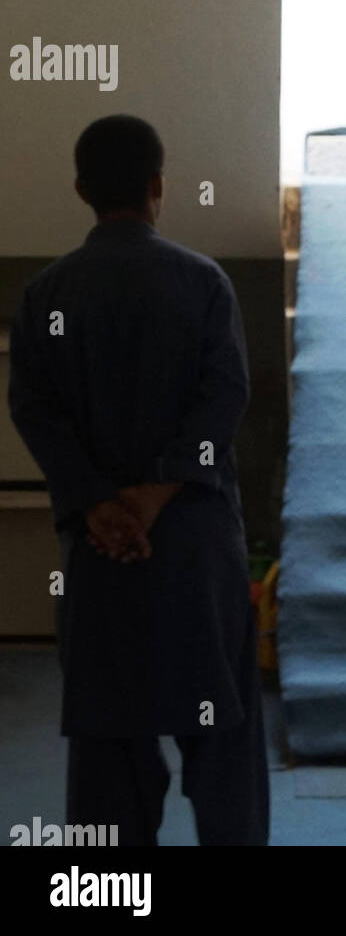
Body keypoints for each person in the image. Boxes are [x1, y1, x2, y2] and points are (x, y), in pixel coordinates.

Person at [7, 115, 269, 846]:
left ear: (81, 189)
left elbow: (34, 410)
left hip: (101, 555)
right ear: (159, 186)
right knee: (222, 739)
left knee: (107, 745)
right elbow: (224, 398)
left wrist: (97, 501)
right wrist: (157, 493)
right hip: (195, 549)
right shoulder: (204, 283)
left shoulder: (44, 294)